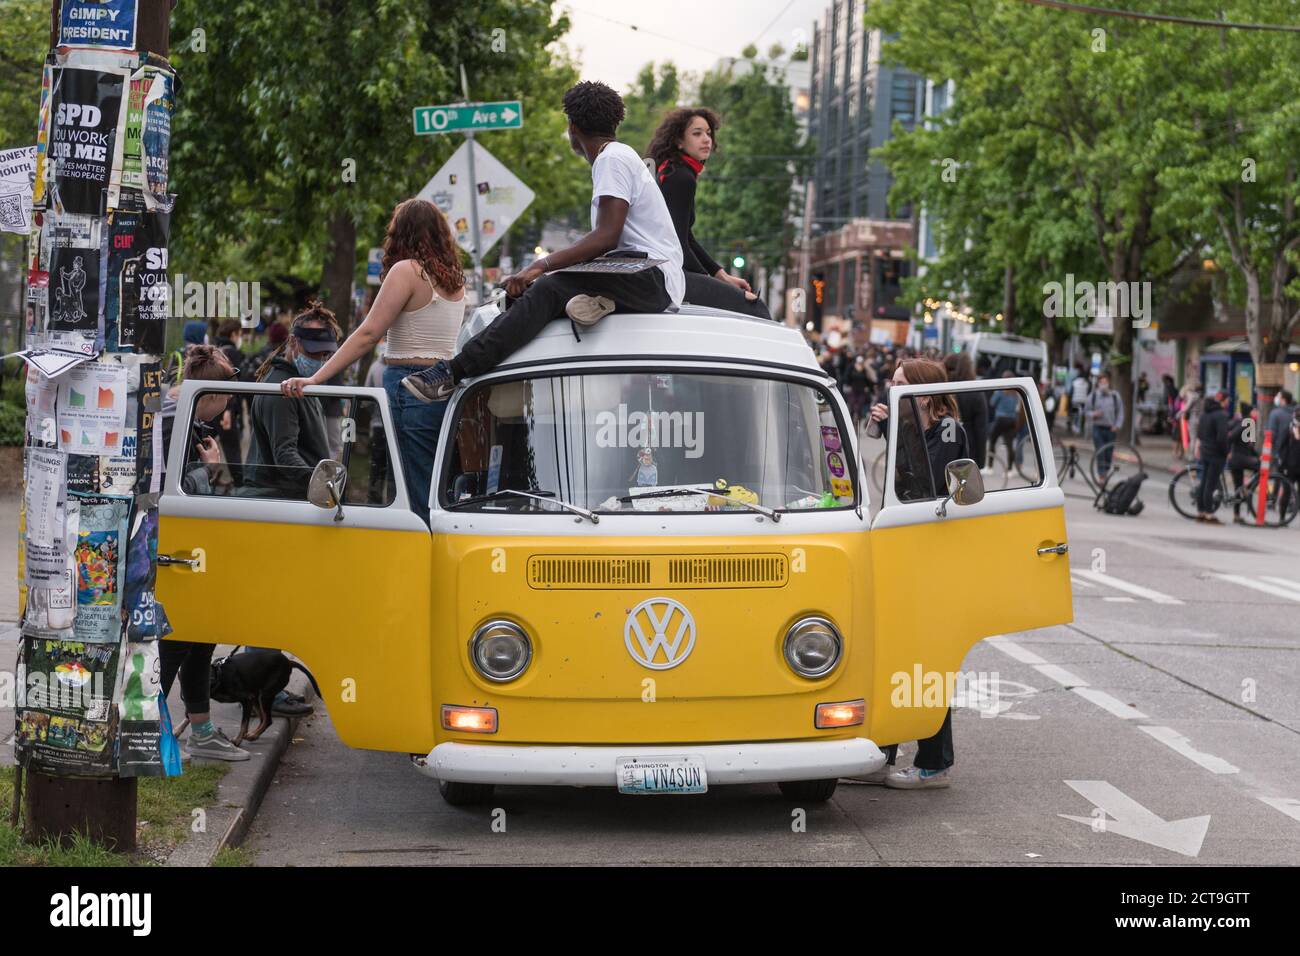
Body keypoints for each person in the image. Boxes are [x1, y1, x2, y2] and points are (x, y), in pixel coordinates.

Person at [400, 80, 683, 403]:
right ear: (614, 121)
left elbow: (605, 237)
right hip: (644, 276)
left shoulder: (612, 160)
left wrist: (539, 266)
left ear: (572, 128)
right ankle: (596, 300)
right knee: (544, 292)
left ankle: (453, 372)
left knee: (547, 289)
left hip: (651, 278)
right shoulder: (620, 156)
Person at [281, 199, 466, 520]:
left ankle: (422, 560)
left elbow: (368, 334)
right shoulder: (454, 281)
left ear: (400, 233)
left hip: (408, 386)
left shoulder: (407, 270)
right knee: (435, 484)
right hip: (444, 384)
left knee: (412, 487)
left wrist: (315, 377)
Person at [856, 357, 966, 787]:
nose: (891, 388)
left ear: (923, 391)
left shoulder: (947, 431)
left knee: (926, 659)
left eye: (900, 383)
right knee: (890, 654)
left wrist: (903, 427)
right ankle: (881, 751)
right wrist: (882, 427)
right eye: (891, 382)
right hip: (902, 544)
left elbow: (930, 482)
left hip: (933, 552)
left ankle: (935, 761)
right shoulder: (908, 426)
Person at [158, 345, 248, 760]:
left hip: (192, 548)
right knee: (175, 640)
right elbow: (183, 490)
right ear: (211, 392)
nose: (228, 404)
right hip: (172, 549)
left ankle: (202, 730)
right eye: (226, 395)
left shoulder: (190, 420)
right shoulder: (175, 425)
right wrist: (214, 469)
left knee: (201, 635)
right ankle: (150, 732)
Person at [646, 107, 771, 319]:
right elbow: (678, 243)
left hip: (661, 269)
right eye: (697, 133)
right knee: (755, 309)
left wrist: (721, 275)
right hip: (667, 274)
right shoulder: (680, 177)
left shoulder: (671, 171)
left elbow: (686, 236)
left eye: (708, 133)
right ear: (678, 141)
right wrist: (709, 281)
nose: (706, 139)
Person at [246, 303, 336, 497]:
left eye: (326, 354)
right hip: (275, 498)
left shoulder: (300, 383)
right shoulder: (284, 389)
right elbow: (285, 455)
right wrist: (323, 486)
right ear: (293, 342)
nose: (320, 360)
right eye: (313, 352)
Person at [944, 351, 987, 472]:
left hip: (944, 446)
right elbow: (981, 429)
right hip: (968, 447)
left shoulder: (941, 389)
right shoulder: (976, 392)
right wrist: (981, 461)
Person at [1195, 394, 1230, 524]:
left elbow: (1199, 433)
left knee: (1204, 482)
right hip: (1216, 453)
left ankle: (1201, 512)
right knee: (1211, 484)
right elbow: (1222, 437)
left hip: (1205, 451)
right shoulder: (1221, 415)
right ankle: (1209, 514)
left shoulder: (1204, 414)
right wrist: (1226, 452)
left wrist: (1199, 447)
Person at [1084, 371, 1124, 477]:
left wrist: (1117, 425)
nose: (1103, 384)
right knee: (1100, 451)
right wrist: (1093, 414)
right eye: (1101, 382)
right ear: (1098, 384)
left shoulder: (1115, 396)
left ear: (1109, 383)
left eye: (1105, 382)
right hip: (1098, 428)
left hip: (1111, 429)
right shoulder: (1093, 396)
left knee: (1108, 452)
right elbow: (1086, 411)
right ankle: (1101, 474)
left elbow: (1120, 412)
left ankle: (1105, 470)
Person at [986, 371, 1019, 476]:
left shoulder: (1000, 390)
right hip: (1011, 420)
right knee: (1009, 445)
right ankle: (1010, 469)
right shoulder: (1015, 392)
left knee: (992, 441)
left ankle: (990, 467)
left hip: (1000, 419)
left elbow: (992, 402)